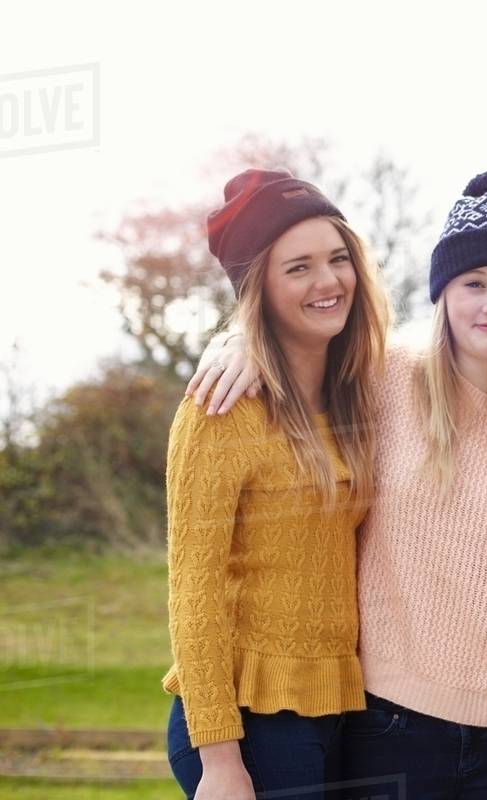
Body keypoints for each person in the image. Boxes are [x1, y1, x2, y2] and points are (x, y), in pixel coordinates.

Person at [187, 171, 487, 800]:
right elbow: (297, 334)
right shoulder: (382, 376)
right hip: (390, 722)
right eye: (473, 283)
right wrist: (240, 339)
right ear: (443, 292)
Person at [164, 168, 391, 799]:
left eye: (338, 258)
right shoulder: (220, 408)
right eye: (298, 268)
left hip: (338, 710)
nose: (329, 282)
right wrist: (219, 759)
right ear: (258, 288)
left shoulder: (357, 394)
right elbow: (194, 590)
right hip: (247, 725)